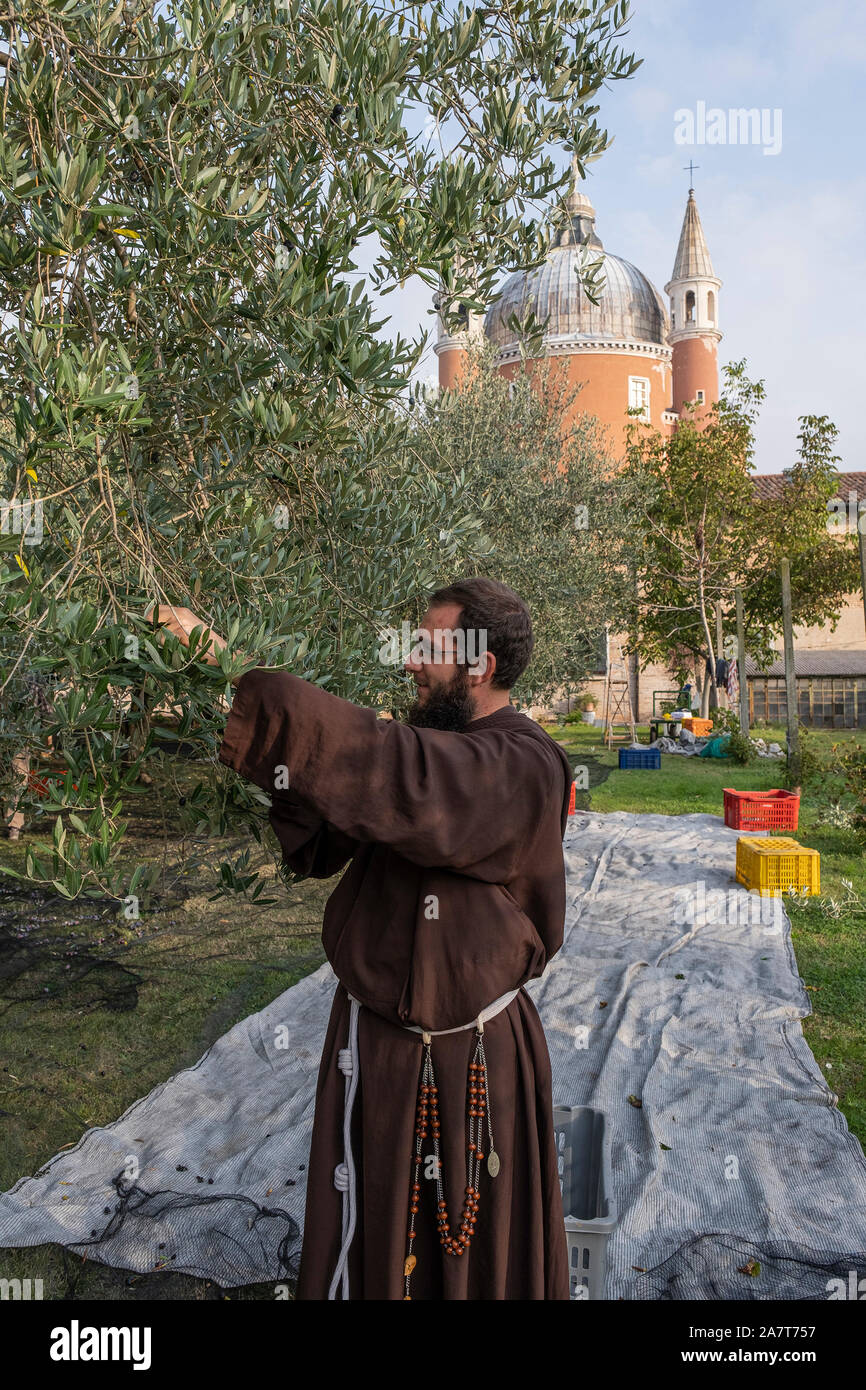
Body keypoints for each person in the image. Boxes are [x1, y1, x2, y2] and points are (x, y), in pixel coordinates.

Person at [153, 576, 573, 1300]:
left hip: (468, 1058)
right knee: (371, 1227)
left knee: (467, 1253)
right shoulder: (430, 749)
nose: (409, 660)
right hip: (371, 1049)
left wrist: (232, 668)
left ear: (482, 665)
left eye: (428, 646)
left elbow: (402, 774)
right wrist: (247, 725)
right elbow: (336, 822)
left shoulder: (521, 764)